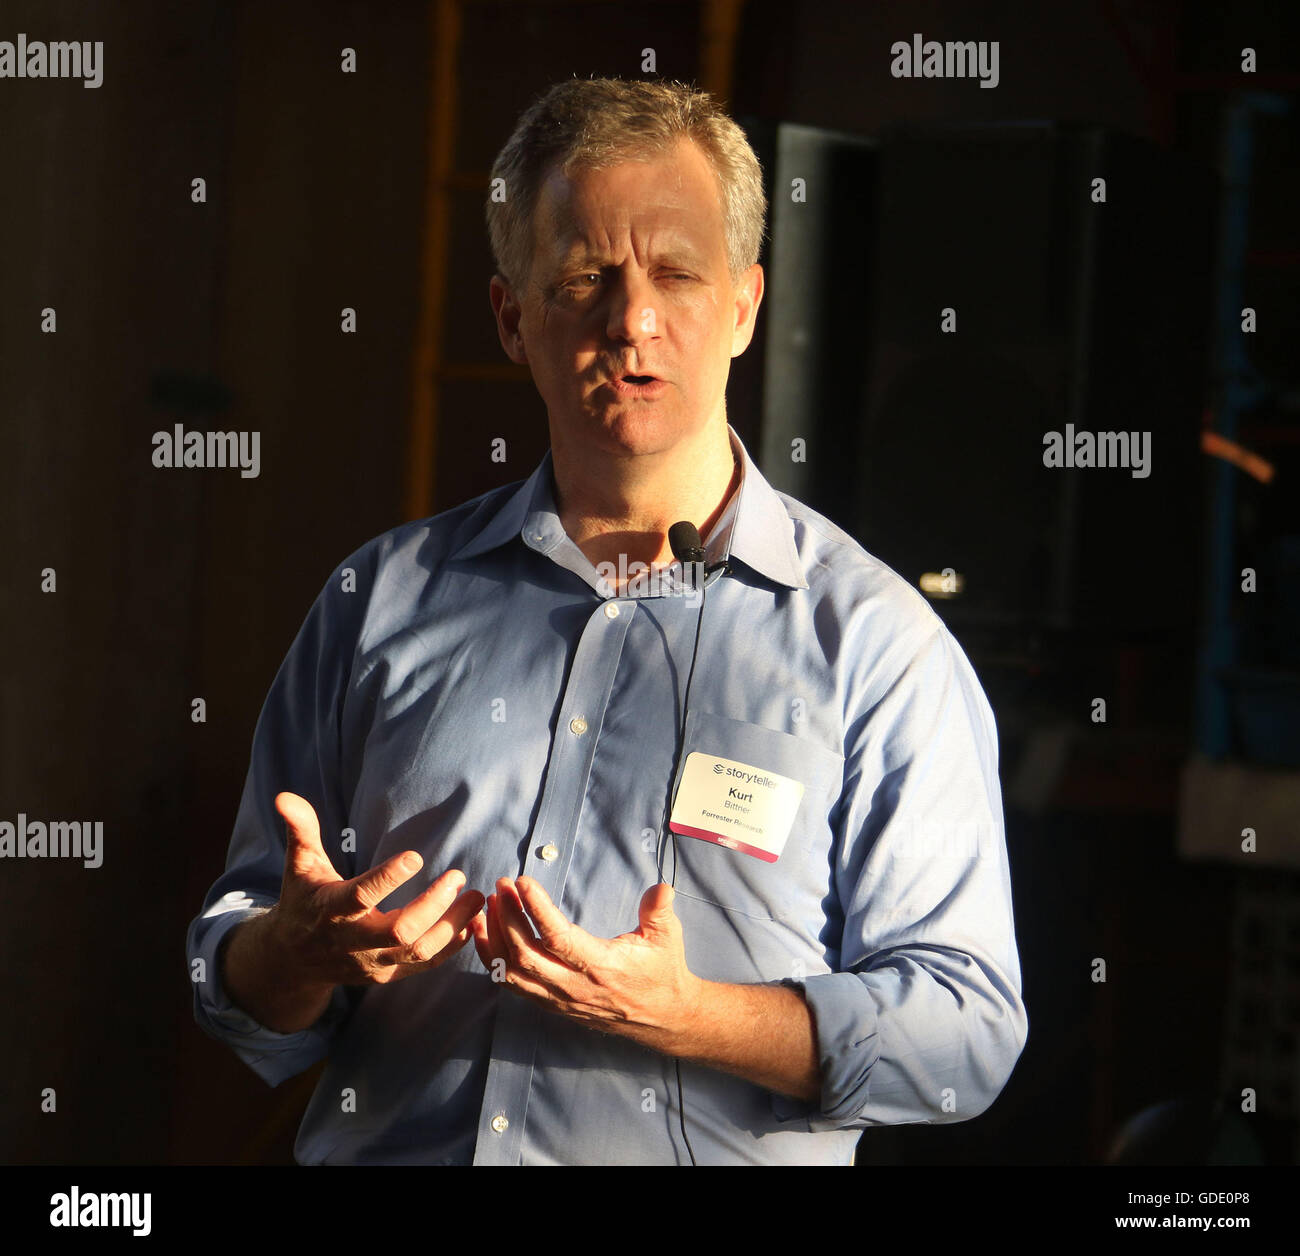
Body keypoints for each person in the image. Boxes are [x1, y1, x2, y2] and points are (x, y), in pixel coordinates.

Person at [186, 76, 1027, 1166]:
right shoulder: (378, 602)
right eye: (584, 276)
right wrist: (295, 951)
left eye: (675, 273)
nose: (631, 319)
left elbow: (965, 1032)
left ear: (742, 307)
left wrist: (692, 1015)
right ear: (511, 318)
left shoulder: (875, 646)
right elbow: (238, 977)